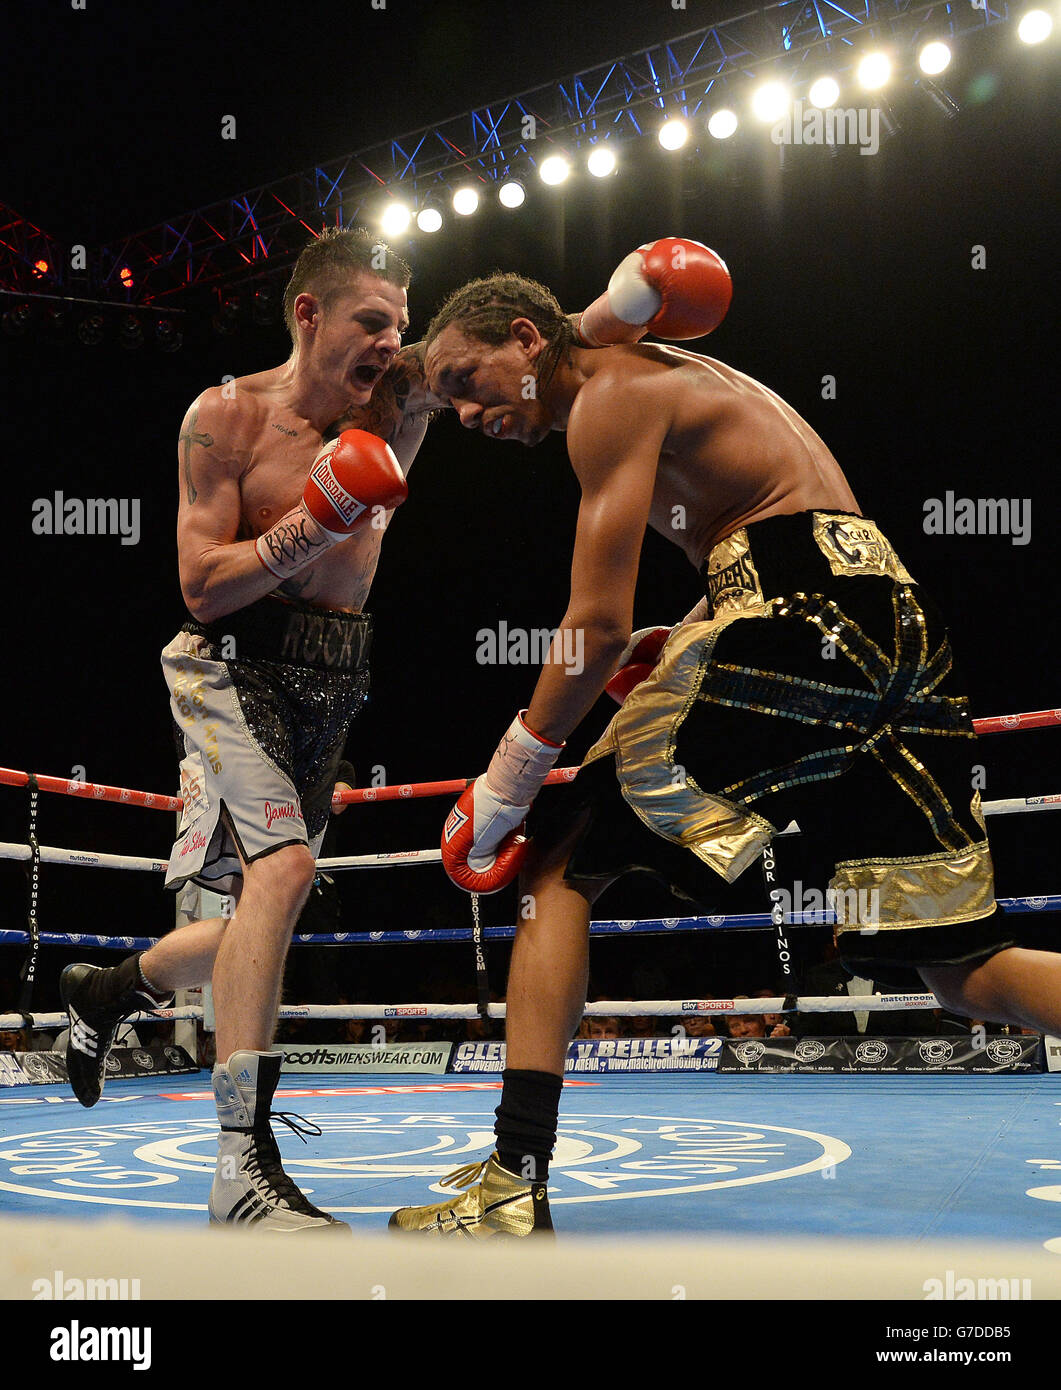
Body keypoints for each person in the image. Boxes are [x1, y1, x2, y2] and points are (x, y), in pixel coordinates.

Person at [389, 245, 1061, 1238]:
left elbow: (593, 625)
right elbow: (780, 525)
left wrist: (507, 776)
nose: (466, 412)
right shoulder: (666, 376)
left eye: (465, 380)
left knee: (555, 868)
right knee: (964, 970)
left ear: (526, 339)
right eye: (445, 401)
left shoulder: (608, 392)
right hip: (895, 626)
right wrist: (704, 615)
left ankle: (511, 1180)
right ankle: (509, 1174)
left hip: (801, 627)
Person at [60, 227, 440, 1232]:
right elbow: (198, 584)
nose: (389, 340)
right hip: (229, 662)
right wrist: (310, 521)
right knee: (280, 875)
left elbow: (506, 348)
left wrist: (619, 313)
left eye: (399, 322)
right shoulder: (223, 418)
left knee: (249, 926)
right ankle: (240, 1164)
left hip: (333, 673)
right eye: (371, 318)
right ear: (308, 313)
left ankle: (108, 989)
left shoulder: (399, 398)